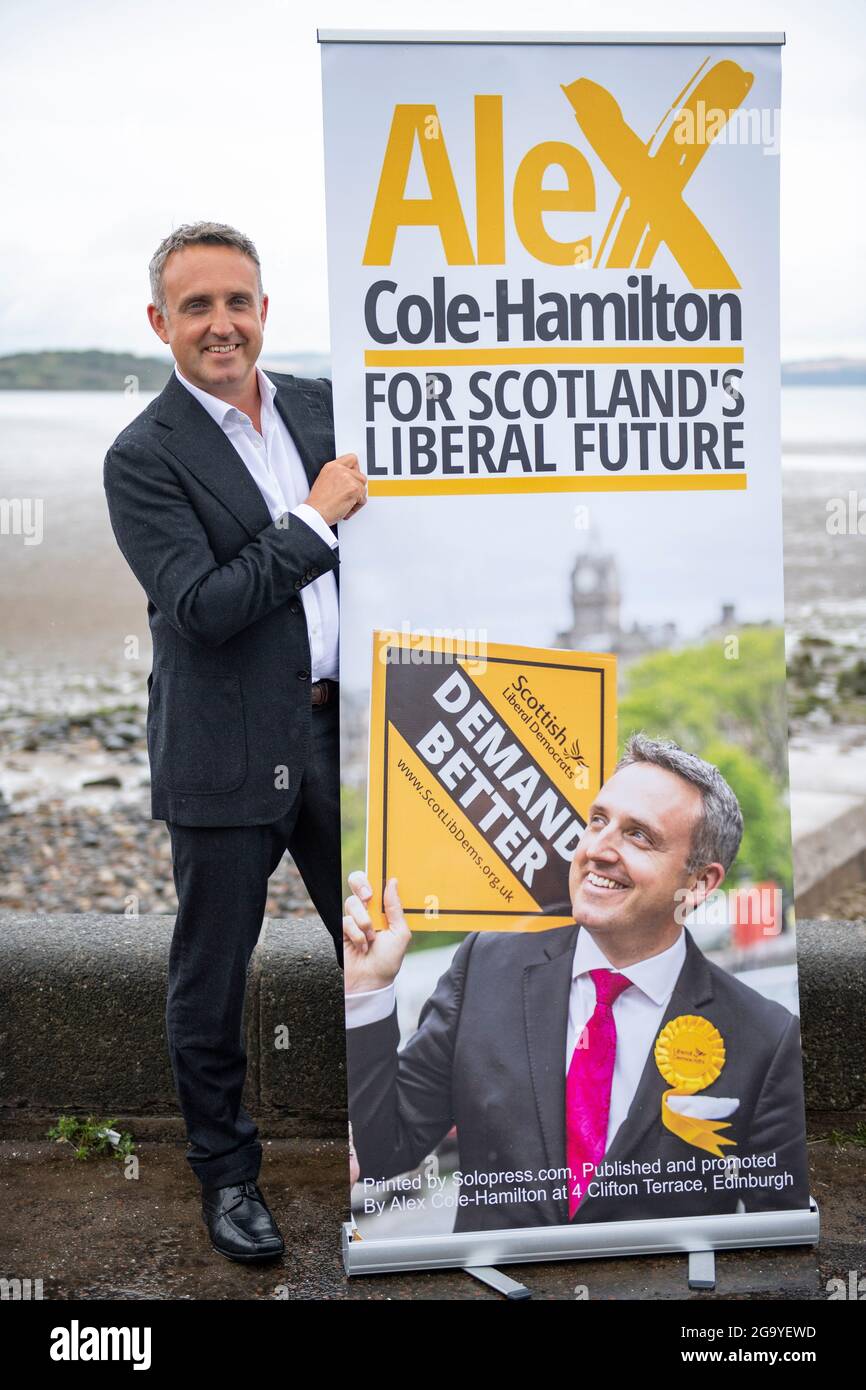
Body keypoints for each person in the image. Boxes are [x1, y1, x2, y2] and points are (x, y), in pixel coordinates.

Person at [103, 221, 366, 1262]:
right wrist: (311, 518)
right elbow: (204, 608)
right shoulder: (142, 456)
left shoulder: (318, 407)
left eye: (238, 301)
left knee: (391, 940)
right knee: (211, 975)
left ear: (264, 310)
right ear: (161, 323)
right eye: (198, 306)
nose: (222, 324)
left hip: (344, 730)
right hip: (222, 744)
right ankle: (226, 1179)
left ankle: (419, 1145)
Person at [343, 734, 810, 1233]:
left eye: (638, 836)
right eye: (598, 821)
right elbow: (383, 1149)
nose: (598, 850)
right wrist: (367, 991)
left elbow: (778, 1238)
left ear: (699, 884)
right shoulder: (484, 965)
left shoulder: (766, 1036)